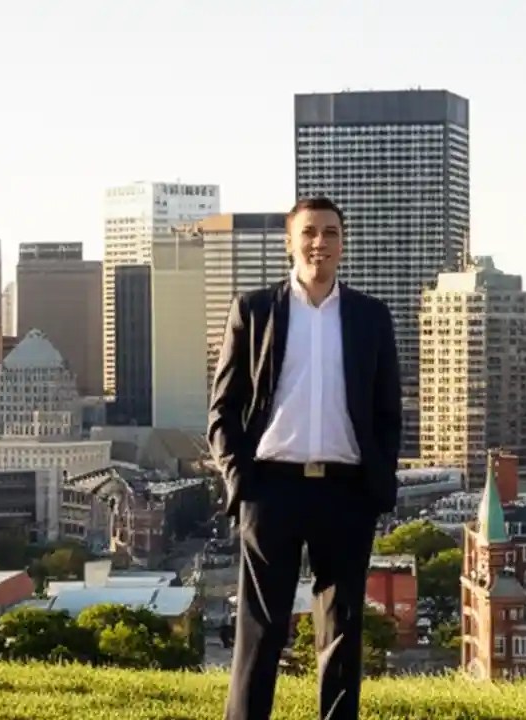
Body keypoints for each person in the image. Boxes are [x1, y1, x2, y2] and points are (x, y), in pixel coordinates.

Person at [208, 196, 402, 720]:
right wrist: (239, 480)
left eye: (331, 232)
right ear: (290, 243)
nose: (320, 242)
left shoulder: (370, 317)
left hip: (347, 490)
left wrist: (378, 481)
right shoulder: (254, 310)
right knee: (260, 629)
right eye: (310, 232)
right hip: (271, 488)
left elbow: (388, 412)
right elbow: (222, 409)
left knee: (341, 629)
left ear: (343, 243)